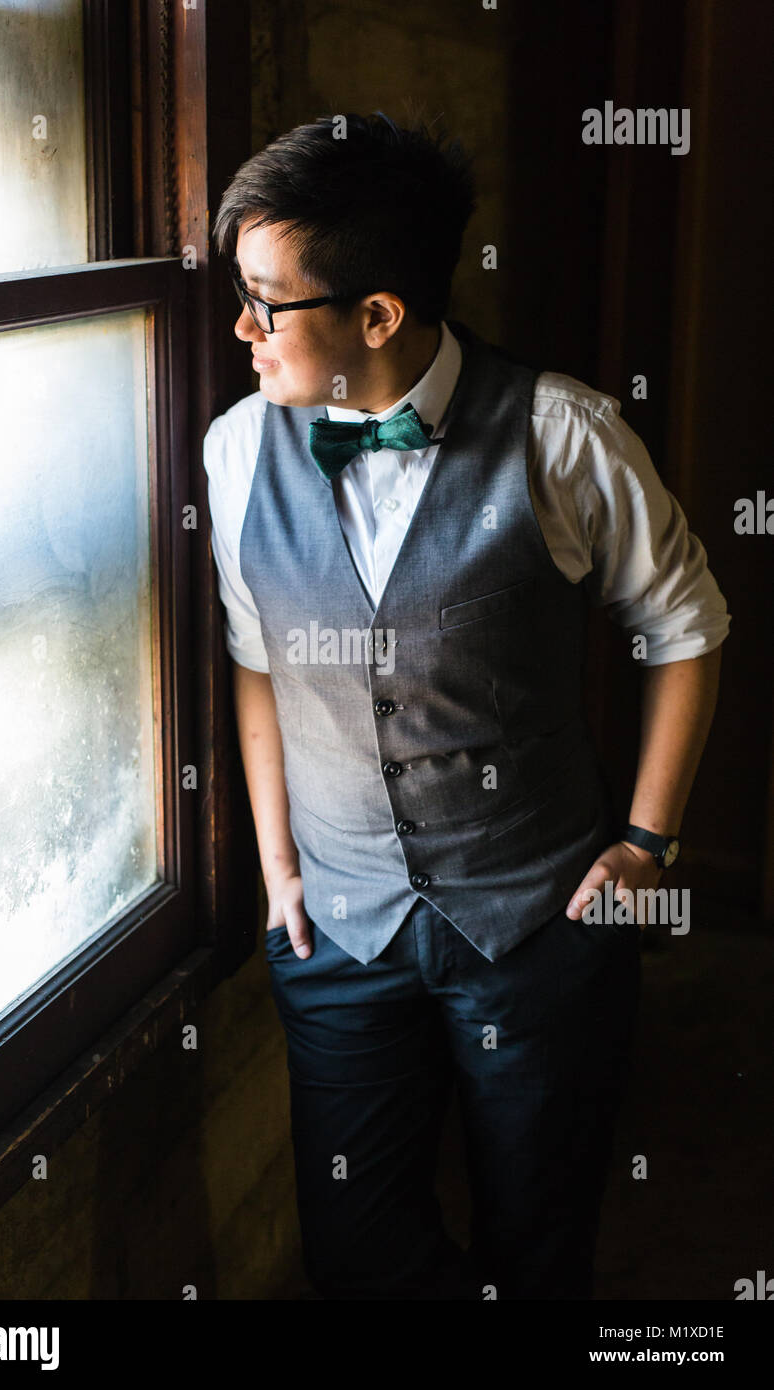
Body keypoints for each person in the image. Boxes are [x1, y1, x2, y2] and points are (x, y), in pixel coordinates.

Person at [202, 112, 730, 1300]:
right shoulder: (237, 451)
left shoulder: (564, 433)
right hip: (336, 927)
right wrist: (280, 869)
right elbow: (257, 661)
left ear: (375, 315)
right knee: (354, 1250)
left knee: (537, 1238)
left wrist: (647, 843)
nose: (239, 328)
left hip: (539, 923)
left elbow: (686, 630)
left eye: (264, 301)